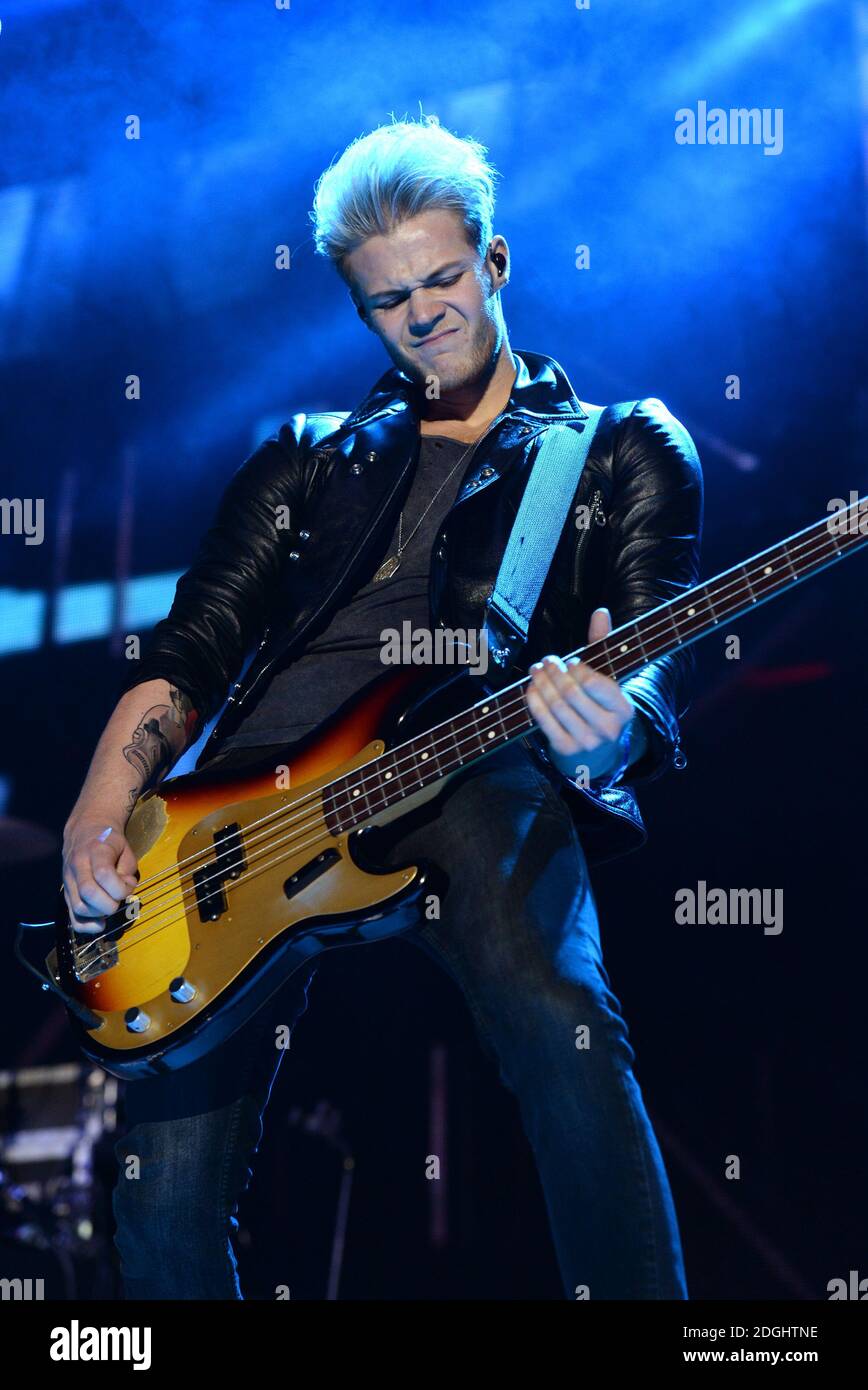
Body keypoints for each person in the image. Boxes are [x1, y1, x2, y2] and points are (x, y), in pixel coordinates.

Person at [61, 116, 703, 1299]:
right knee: (161, 1190)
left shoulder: (615, 449)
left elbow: (651, 647)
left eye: (444, 278)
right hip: (237, 817)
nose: (422, 314)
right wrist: (97, 814)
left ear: (496, 261)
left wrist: (614, 725)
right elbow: (189, 653)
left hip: (469, 757)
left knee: (559, 1015)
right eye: (387, 298)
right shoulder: (303, 456)